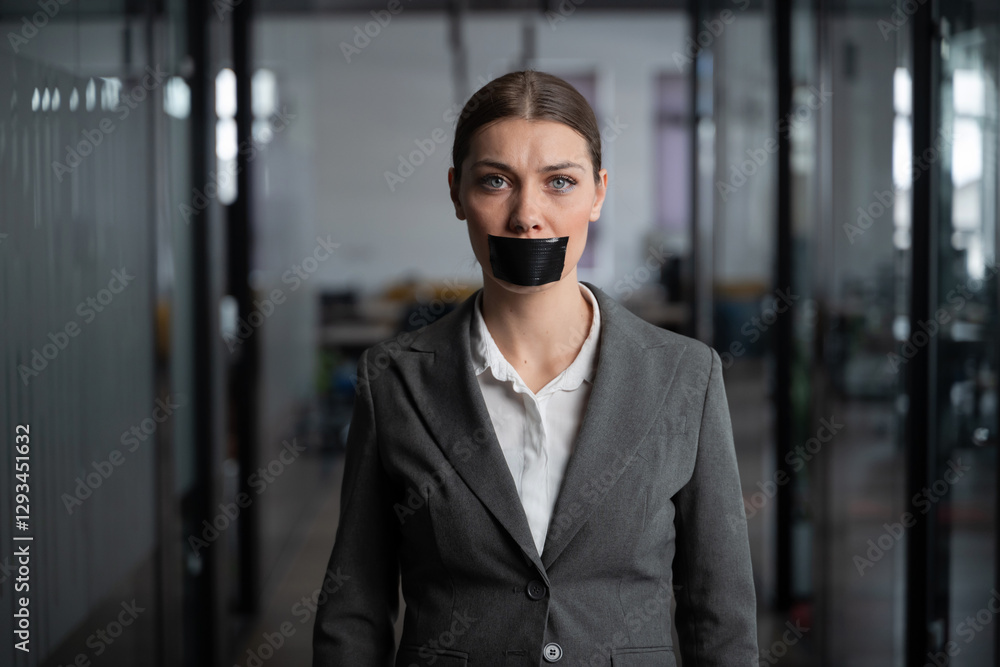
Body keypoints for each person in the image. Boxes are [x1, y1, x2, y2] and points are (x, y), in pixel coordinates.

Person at [312, 70, 758, 666]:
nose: (527, 215)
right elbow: (354, 611)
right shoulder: (393, 381)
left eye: (560, 183)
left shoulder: (686, 377)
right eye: (496, 181)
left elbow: (720, 611)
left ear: (598, 193)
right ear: (456, 193)